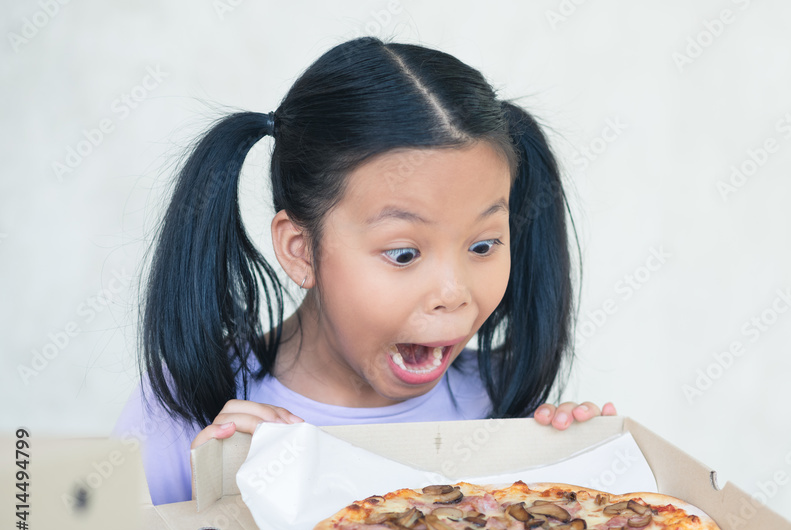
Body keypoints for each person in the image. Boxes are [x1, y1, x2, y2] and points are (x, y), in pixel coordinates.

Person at [113, 37, 615, 505]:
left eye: (482, 245)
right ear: (301, 250)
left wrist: (576, 473)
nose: (452, 292)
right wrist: (219, 505)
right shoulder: (183, 412)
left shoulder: (503, 405)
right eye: (404, 254)